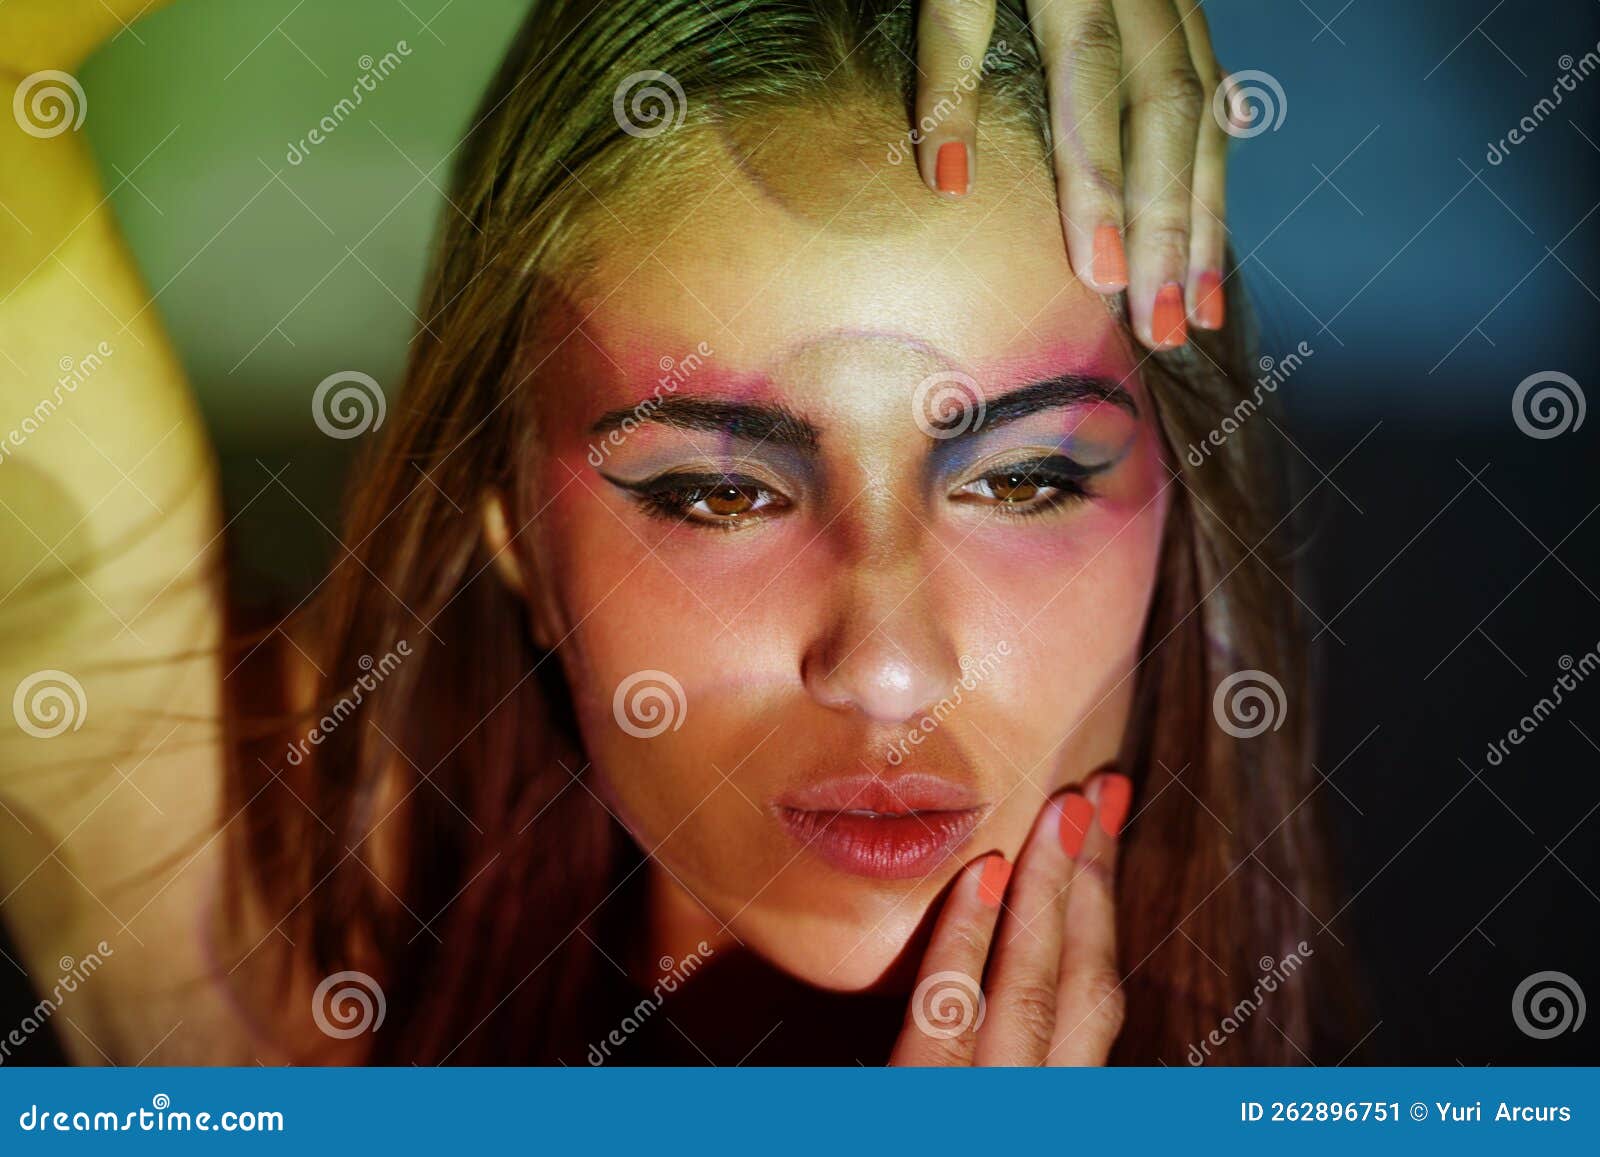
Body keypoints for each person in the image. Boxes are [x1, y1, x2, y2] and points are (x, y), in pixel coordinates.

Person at [0, 0, 1343, 1065]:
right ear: (510, 526)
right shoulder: (250, 959)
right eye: (720, 493)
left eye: (1027, 478)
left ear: (1180, 498)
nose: (885, 665)